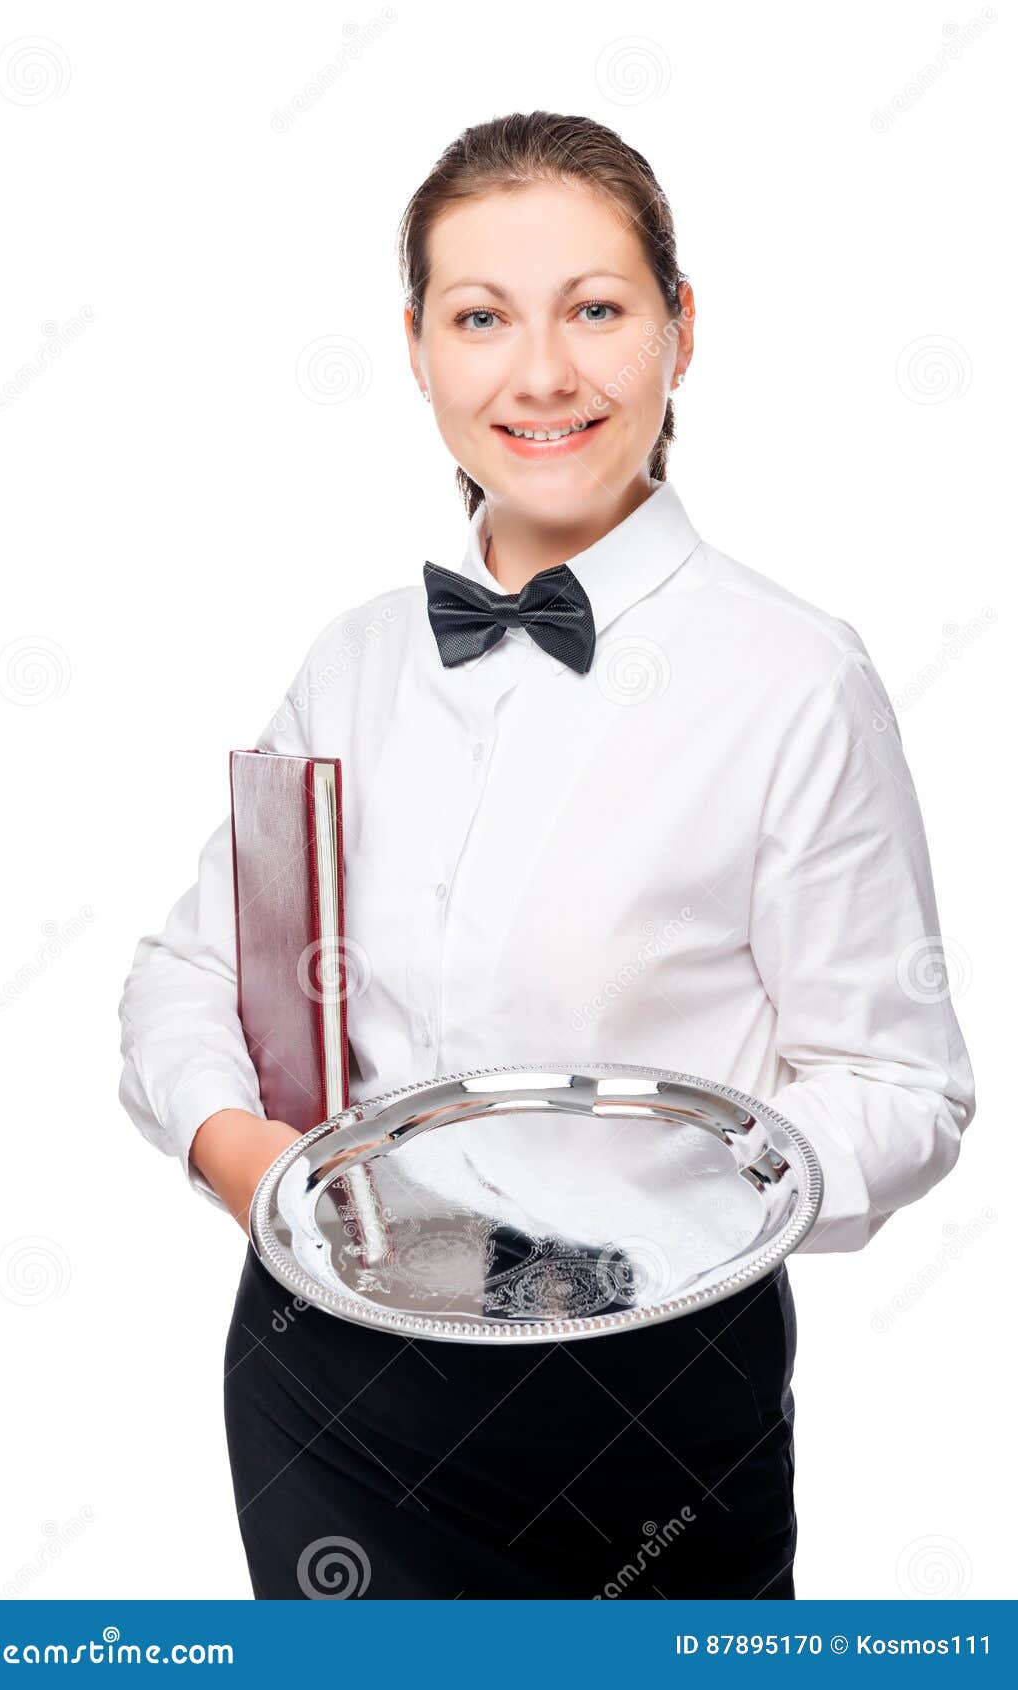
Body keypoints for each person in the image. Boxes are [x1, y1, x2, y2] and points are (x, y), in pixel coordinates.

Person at [117, 110, 975, 1600]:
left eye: (596, 308)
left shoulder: (793, 676)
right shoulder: (357, 658)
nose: (542, 374)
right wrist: (254, 1169)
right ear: (417, 347)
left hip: (647, 1409)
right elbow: (195, 971)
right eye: (481, 317)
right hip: (329, 1388)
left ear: (680, 331)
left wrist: (665, 1246)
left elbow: (907, 1088)